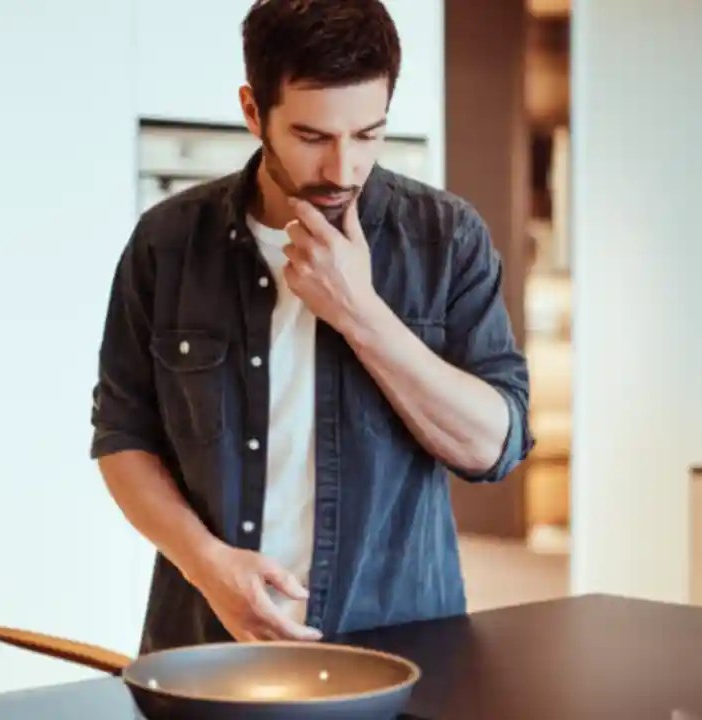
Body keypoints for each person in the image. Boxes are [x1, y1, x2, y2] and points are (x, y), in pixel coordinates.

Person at [89, 0, 533, 654]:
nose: (344, 169)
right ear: (252, 111)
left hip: (400, 653)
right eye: (313, 137)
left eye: (367, 134)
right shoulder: (169, 243)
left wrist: (361, 313)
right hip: (208, 652)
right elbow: (123, 438)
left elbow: (495, 446)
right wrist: (208, 565)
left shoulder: (446, 238)